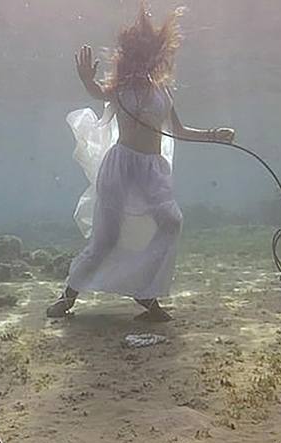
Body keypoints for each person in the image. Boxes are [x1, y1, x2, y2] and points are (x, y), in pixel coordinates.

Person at [47, 5, 235, 321]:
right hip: (119, 166)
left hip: (152, 170)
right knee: (105, 239)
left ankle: (146, 293)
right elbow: (97, 94)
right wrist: (85, 80)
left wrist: (215, 134)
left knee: (171, 222)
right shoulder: (121, 88)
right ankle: (69, 296)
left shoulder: (163, 91)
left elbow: (180, 131)